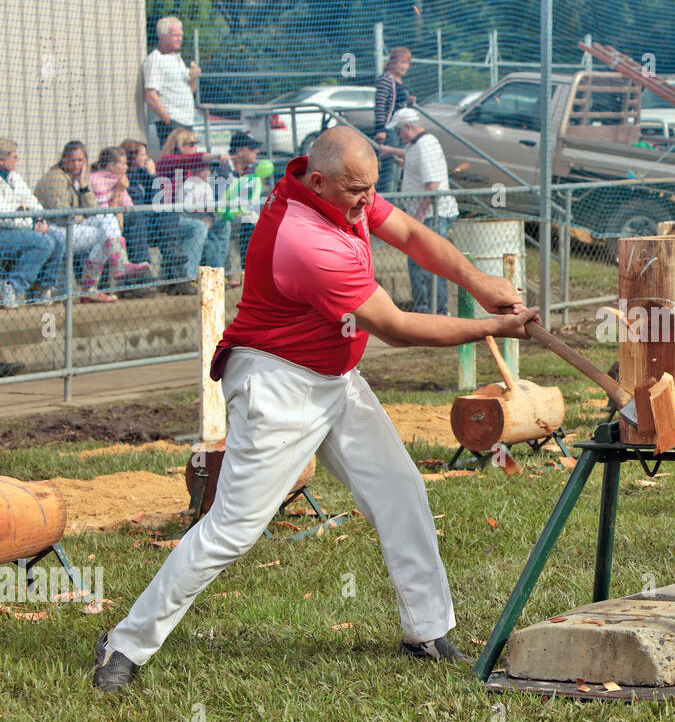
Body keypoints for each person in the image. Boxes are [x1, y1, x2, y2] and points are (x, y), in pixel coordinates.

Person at [92, 126, 536, 693]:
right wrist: (495, 326)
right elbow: (397, 328)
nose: (367, 201)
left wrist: (475, 280)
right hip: (277, 383)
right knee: (232, 531)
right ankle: (125, 643)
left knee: (401, 490)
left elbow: (410, 233)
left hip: (334, 376)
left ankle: (426, 631)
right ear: (319, 181)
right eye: (356, 191)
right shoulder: (305, 241)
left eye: (370, 188)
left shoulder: (336, 186)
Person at [35, 141, 138, 303]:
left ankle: (116, 267)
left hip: (75, 225)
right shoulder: (56, 178)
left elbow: (93, 208)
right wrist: (84, 216)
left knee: (108, 219)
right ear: (63, 160)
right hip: (54, 229)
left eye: (80, 160)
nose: (76, 164)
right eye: (72, 160)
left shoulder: (81, 177)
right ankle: (92, 286)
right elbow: (62, 215)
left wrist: (83, 186)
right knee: (105, 236)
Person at [385, 107, 459, 315]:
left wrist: (419, 214)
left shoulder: (425, 145)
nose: (399, 135)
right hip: (422, 215)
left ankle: (435, 310)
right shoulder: (415, 145)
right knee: (419, 262)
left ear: (408, 127)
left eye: (399, 131)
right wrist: (392, 151)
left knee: (428, 263)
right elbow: (413, 159)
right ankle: (425, 308)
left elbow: (432, 184)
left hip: (430, 216)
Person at [0, 137, 67, 309]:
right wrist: (31, 224)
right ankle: (12, 286)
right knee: (44, 242)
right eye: (13, 156)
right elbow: (5, 216)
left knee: (58, 238)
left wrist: (40, 219)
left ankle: (41, 288)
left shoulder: (14, 177)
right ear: (2, 159)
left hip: (23, 227)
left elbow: (32, 202)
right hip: (4, 231)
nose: (17, 159)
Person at [154, 126, 221, 294]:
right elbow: (186, 161)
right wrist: (216, 155)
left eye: (195, 143)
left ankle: (217, 276)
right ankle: (187, 278)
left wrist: (210, 218)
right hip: (164, 218)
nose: (194, 147)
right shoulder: (167, 161)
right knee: (197, 228)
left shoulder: (190, 169)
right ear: (177, 146)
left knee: (219, 226)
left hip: (183, 215)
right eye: (190, 144)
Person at [84, 147, 154, 301]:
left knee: (106, 239)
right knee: (109, 220)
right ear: (111, 166)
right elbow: (101, 212)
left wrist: (120, 204)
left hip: (106, 227)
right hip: (88, 222)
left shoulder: (119, 179)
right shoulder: (95, 179)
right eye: (122, 163)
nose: (126, 167)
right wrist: (117, 193)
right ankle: (121, 265)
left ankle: (89, 290)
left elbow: (129, 206)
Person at [214, 131, 268, 281]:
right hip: (223, 216)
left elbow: (259, 198)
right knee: (250, 219)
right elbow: (222, 201)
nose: (256, 151)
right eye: (251, 149)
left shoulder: (251, 172)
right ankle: (249, 271)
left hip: (244, 217)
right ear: (239, 151)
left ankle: (257, 270)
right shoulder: (223, 170)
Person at [142, 16, 200, 147]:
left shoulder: (177, 59)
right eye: (175, 35)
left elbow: (188, 91)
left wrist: (193, 77)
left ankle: (183, 170)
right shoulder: (155, 60)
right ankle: (177, 170)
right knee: (176, 162)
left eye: (181, 35)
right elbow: (150, 94)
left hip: (187, 120)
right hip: (172, 123)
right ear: (163, 36)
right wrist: (168, 120)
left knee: (187, 161)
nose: (180, 39)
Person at [372, 46, 417, 192]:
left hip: (400, 129)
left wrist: (408, 101)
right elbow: (380, 105)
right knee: (390, 170)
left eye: (407, 63)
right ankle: (387, 201)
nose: (405, 66)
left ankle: (393, 201)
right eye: (402, 62)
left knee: (398, 168)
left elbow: (397, 103)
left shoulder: (399, 80)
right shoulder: (386, 79)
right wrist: (381, 129)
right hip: (389, 129)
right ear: (392, 62)